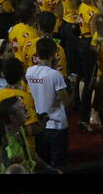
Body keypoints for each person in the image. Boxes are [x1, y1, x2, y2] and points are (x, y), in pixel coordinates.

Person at [25, 36, 70, 168]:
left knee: (43, 165)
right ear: (54, 54)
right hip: (57, 125)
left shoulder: (29, 72)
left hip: (40, 124)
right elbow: (66, 102)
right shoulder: (55, 75)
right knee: (58, 165)